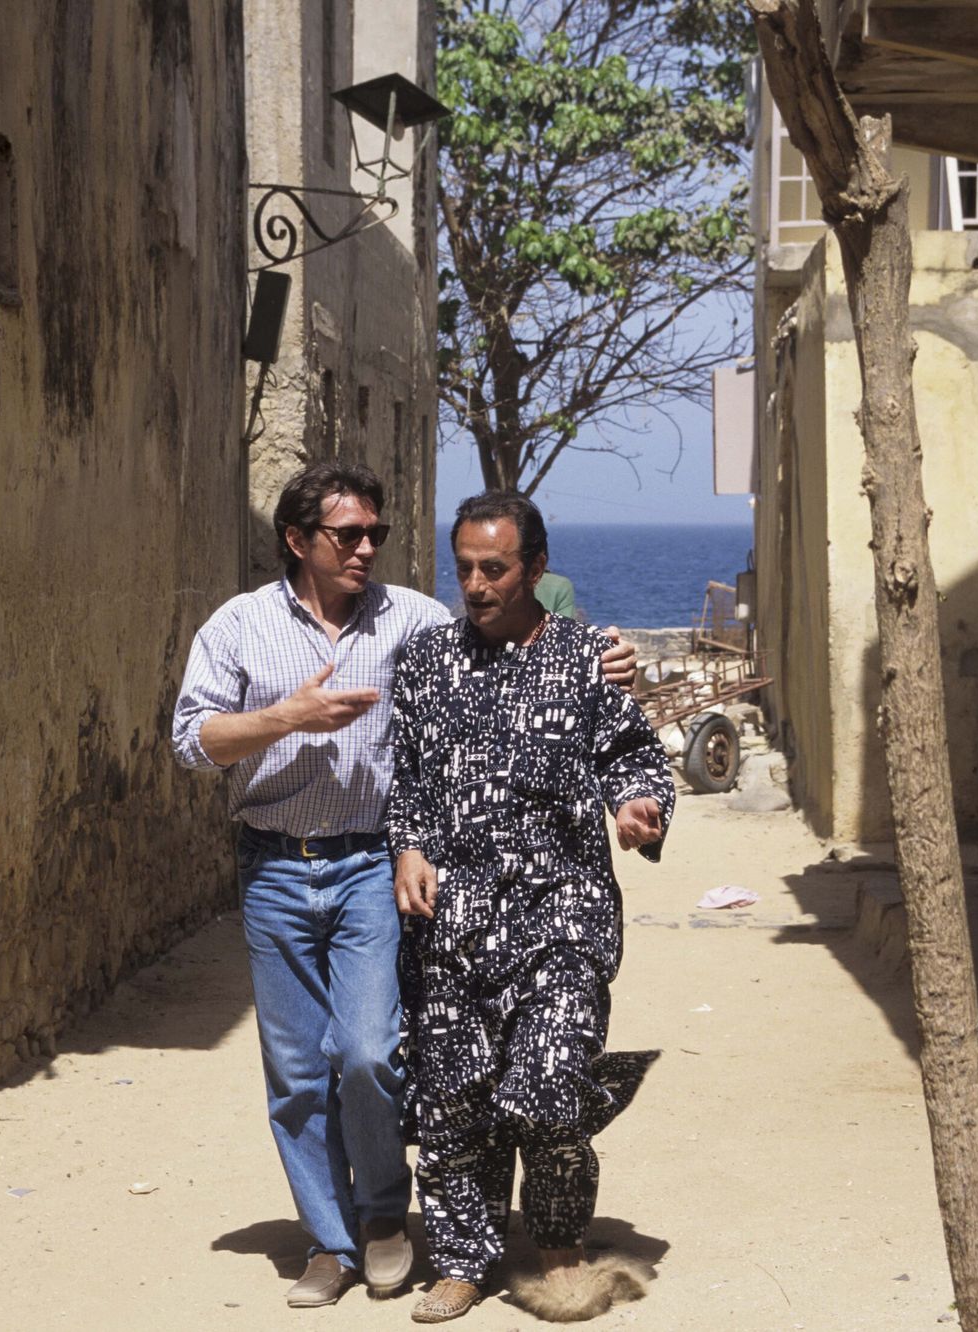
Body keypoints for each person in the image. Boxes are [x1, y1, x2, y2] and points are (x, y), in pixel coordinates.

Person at [171, 463, 638, 1311]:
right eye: (347, 535)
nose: (365, 549)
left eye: (376, 535)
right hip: (275, 864)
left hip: (371, 869)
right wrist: (286, 717)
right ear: (296, 540)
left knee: (368, 1054)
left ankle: (388, 1217)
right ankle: (331, 1242)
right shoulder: (239, 626)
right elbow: (192, 742)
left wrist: (608, 654)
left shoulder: (413, 622)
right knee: (298, 1076)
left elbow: (522, 633)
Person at [389, 491, 675, 1325]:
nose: (475, 585)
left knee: (547, 1083)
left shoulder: (590, 658)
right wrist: (408, 847)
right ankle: (462, 1263)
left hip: (563, 915)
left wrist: (637, 807)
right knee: (454, 1100)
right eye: (465, 567)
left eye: (495, 569)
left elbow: (635, 757)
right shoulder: (427, 663)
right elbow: (405, 781)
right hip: (450, 923)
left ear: (535, 570)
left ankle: (557, 1245)